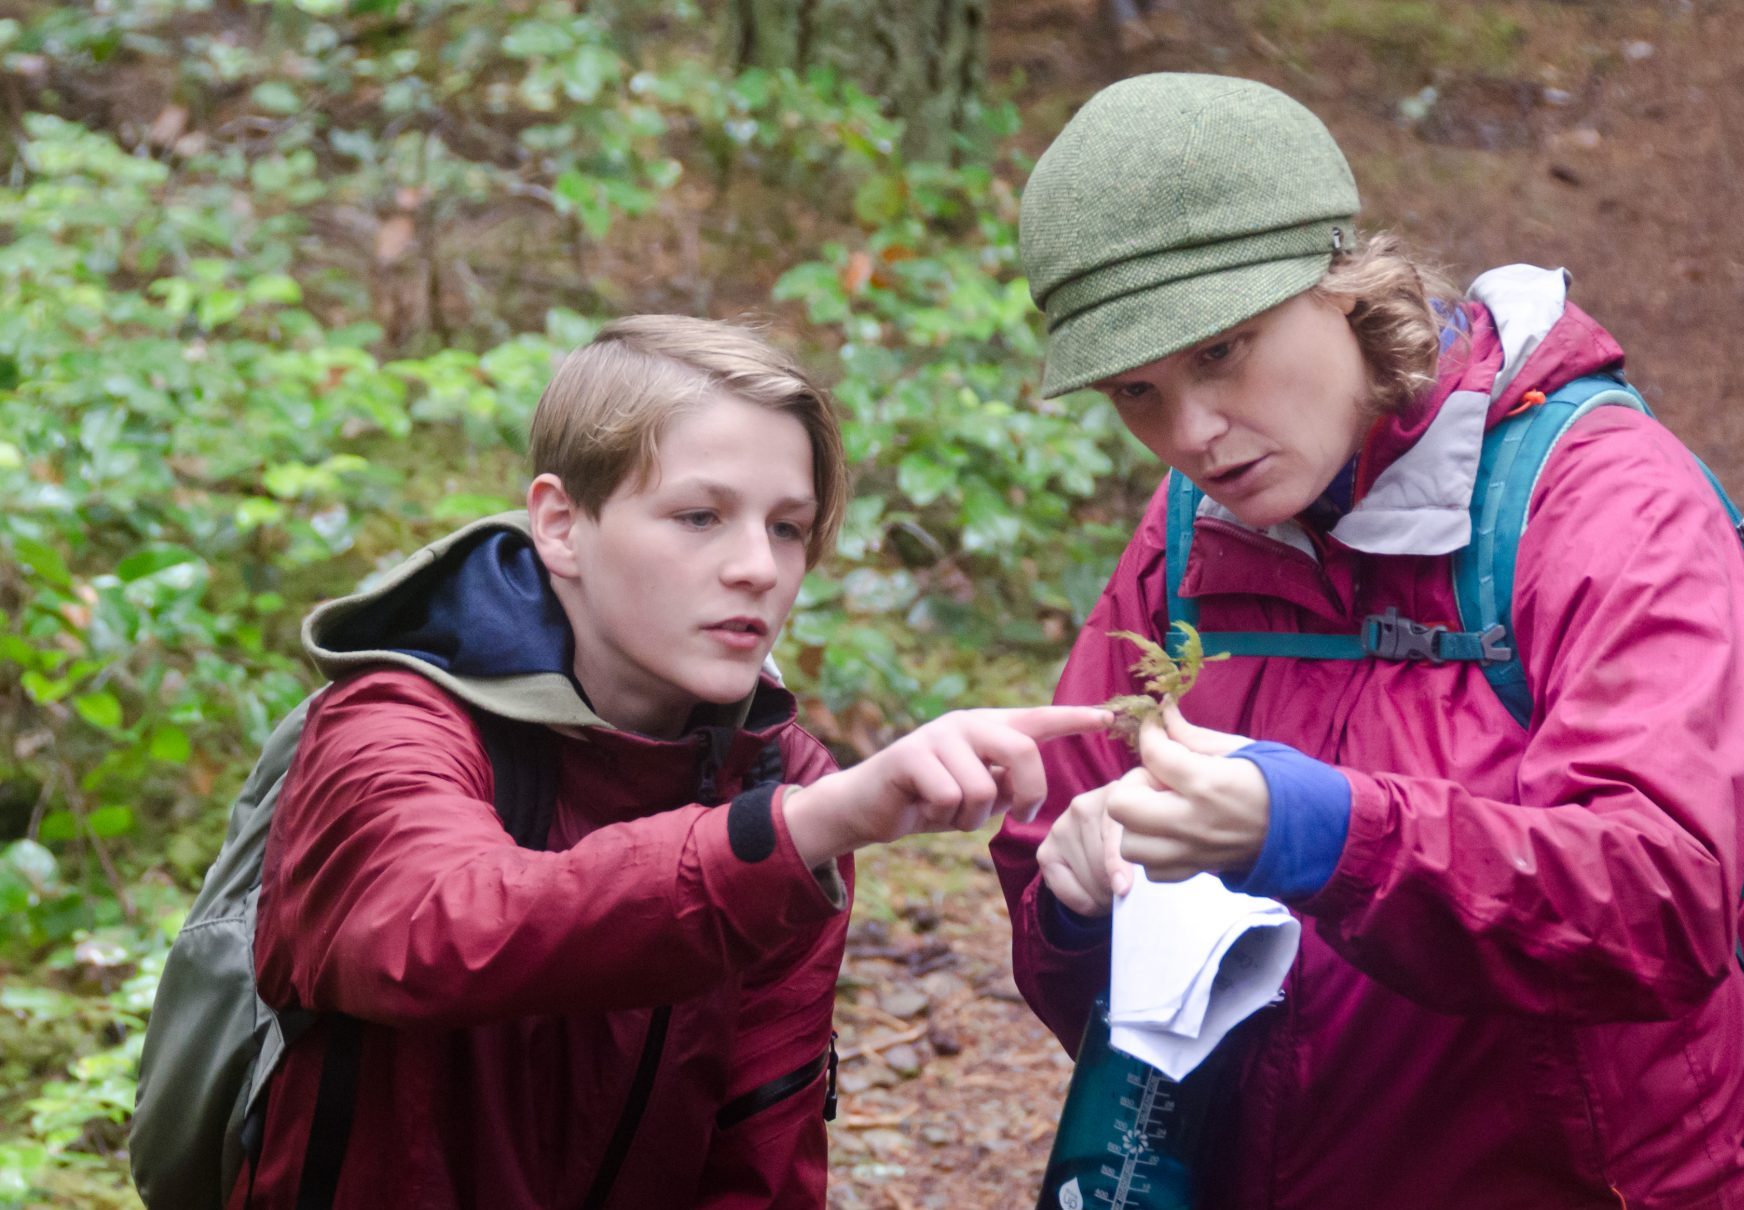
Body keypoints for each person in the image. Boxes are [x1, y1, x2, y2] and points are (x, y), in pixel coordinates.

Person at [991, 74, 1744, 1209]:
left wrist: (1321, 834)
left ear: (1343, 283)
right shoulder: (1182, 543)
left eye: (1220, 352)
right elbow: (1060, 874)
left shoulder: (1595, 500)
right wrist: (1070, 903)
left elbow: (1662, 898)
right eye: (1136, 391)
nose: (1190, 434)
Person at [235, 315, 1112, 1209]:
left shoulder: (779, 779)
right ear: (562, 524)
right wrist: (803, 829)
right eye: (699, 516)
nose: (756, 569)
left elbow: (762, 1142)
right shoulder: (392, 721)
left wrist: (800, 823)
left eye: (787, 528)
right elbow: (438, 933)